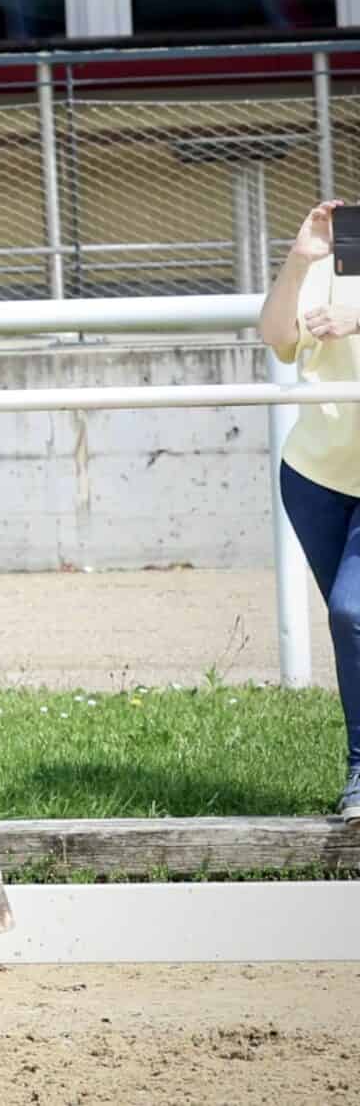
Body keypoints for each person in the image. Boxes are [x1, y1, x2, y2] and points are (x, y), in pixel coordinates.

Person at [260, 198, 360, 823]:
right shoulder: (334, 250)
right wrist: (301, 261)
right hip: (316, 475)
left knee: (353, 612)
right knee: (357, 630)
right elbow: (278, 338)